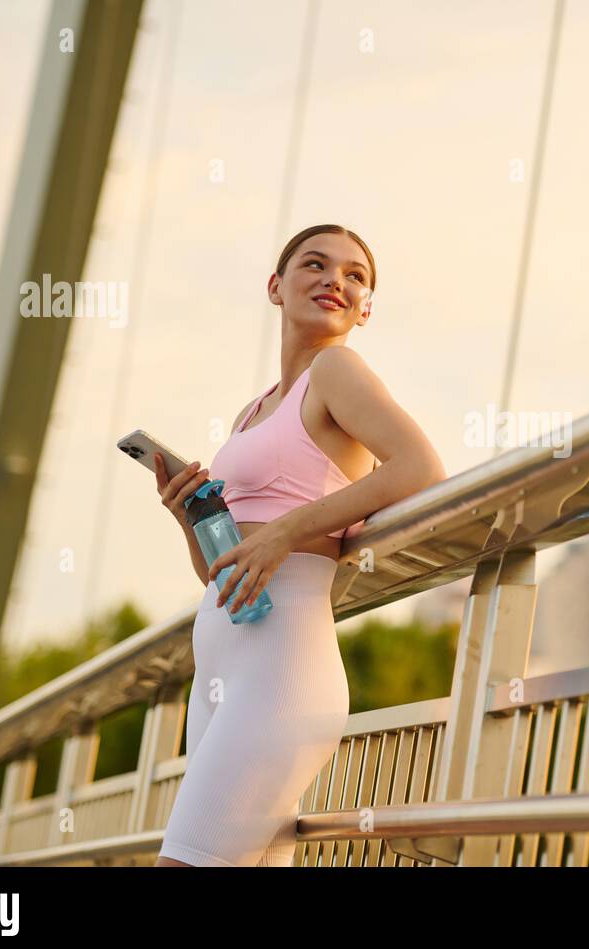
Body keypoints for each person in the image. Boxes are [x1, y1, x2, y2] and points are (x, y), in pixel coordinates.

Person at [150, 224, 447, 866]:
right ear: (275, 287)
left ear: (365, 308)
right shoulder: (251, 413)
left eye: (355, 275)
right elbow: (219, 575)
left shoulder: (336, 371)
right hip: (222, 670)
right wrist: (187, 515)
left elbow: (420, 466)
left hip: (281, 672)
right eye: (314, 264)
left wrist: (286, 531)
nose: (335, 280)